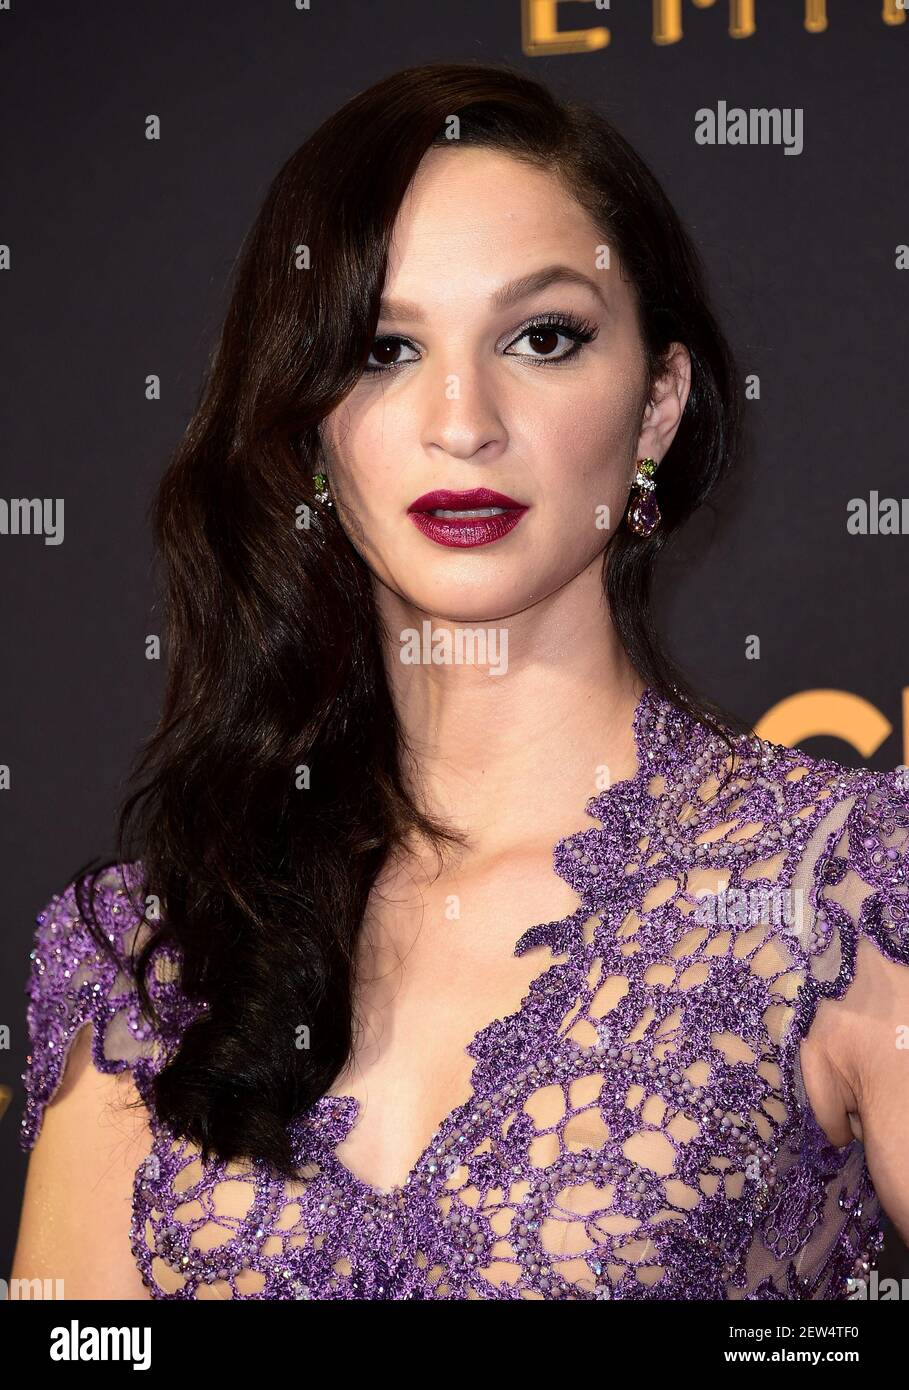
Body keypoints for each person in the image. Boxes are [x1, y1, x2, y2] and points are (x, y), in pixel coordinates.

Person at [11, 62, 909, 1301]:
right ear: (307, 426)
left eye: (542, 338)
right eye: (385, 347)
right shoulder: (163, 957)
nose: (462, 419)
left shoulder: (841, 898)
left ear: (657, 403)